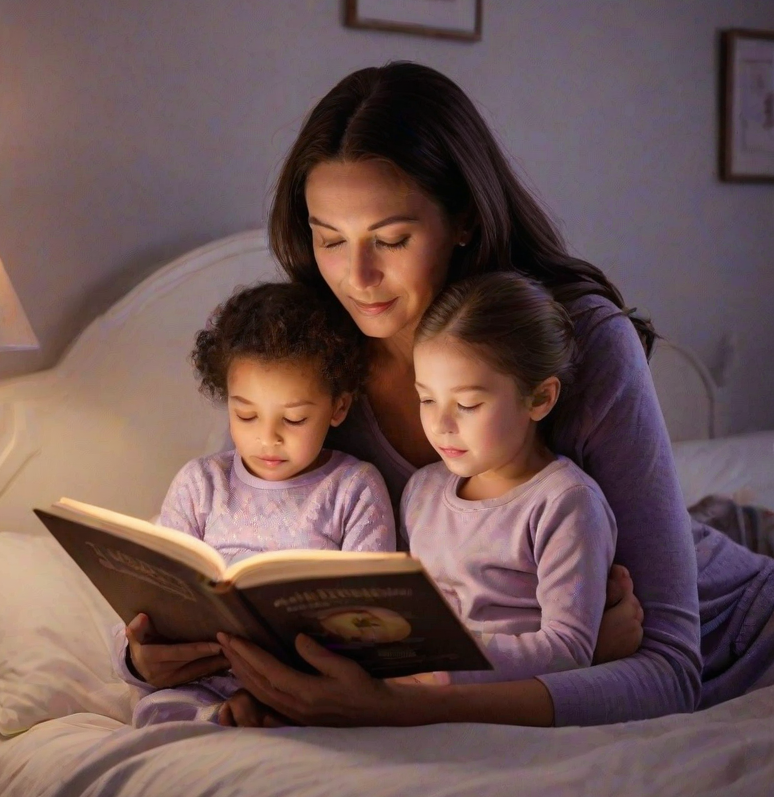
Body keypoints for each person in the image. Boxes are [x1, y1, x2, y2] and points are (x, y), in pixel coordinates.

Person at [214, 61, 774, 729]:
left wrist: (406, 707)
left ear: (465, 220)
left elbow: (672, 670)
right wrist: (166, 653)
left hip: (738, 636)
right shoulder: (306, 359)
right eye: (329, 238)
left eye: (391, 239)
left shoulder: (579, 337)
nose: (357, 276)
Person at [116, 281, 396, 726]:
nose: (268, 438)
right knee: (156, 712)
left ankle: (254, 716)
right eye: (245, 415)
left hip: (304, 687)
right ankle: (217, 718)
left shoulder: (353, 487)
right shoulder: (201, 483)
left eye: (295, 418)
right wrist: (135, 656)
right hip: (197, 681)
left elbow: (373, 617)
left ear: (338, 407)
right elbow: (154, 600)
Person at [402, 271, 616, 684]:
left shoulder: (565, 502)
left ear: (539, 398)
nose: (441, 425)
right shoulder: (421, 491)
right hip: (425, 684)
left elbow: (569, 648)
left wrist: (447, 661)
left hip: (495, 695)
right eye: (426, 399)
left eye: (467, 404)